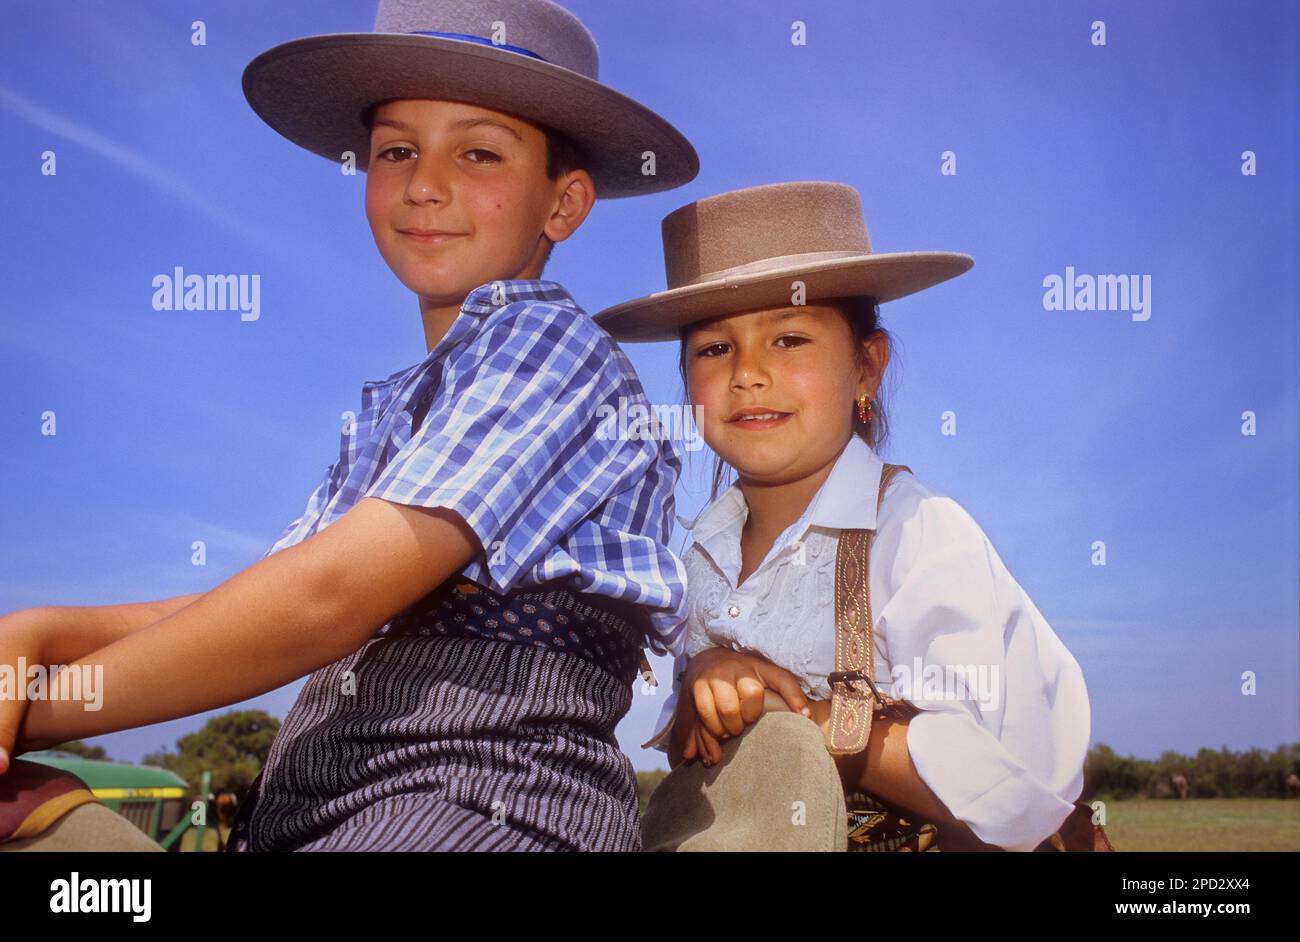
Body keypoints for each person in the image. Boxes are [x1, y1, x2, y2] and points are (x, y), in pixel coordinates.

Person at [0, 0, 698, 852]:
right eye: (396, 149)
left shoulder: (551, 345)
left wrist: (37, 710)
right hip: (317, 806)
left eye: (478, 152)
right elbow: (258, 601)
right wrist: (38, 632)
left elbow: (323, 602)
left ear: (564, 203)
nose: (424, 183)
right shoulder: (405, 404)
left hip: (482, 801)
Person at [593, 181, 1093, 852]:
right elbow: (693, 748)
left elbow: (1013, 790)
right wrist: (707, 679)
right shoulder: (698, 558)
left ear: (867, 367)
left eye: (790, 339)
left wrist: (800, 717)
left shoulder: (918, 535)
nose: (748, 373)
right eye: (715, 349)